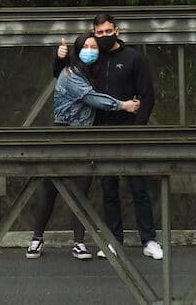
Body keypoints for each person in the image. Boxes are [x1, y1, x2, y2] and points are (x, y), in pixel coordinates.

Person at [54, 11, 163, 261]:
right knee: (108, 188)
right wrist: (58, 58)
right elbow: (67, 75)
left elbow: (147, 96)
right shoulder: (92, 58)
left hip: (130, 131)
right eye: (99, 33)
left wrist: (139, 127)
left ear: (117, 30)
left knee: (138, 186)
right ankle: (114, 240)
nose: (103, 37)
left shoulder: (134, 58)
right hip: (100, 131)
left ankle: (149, 240)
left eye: (107, 31)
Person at [26, 33, 141, 262]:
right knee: (51, 189)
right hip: (63, 133)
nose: (90, 50)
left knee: (81, 192)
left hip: (84, 136)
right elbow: (92, 98)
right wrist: (123, 105)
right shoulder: (70, 75)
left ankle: (78, 242)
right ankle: (36, 239)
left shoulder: (93, 74)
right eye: (85, 46)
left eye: (94, 47)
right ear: (77, 51)